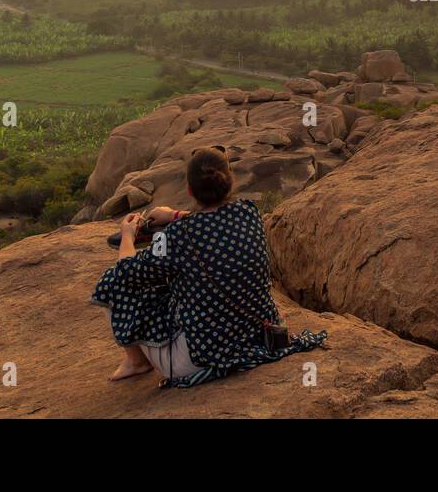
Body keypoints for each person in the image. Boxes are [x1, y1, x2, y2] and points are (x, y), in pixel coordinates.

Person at [92, 145, 327, 387]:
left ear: (190, 189)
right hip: (261, 337)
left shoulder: (178, 236)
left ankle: (136, 361)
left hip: (201, 357)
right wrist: (174, 215)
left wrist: (129, 235)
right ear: (230, 181)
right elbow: (216, 220)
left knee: (112, 282)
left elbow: (126, 273)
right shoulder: (249, 213)